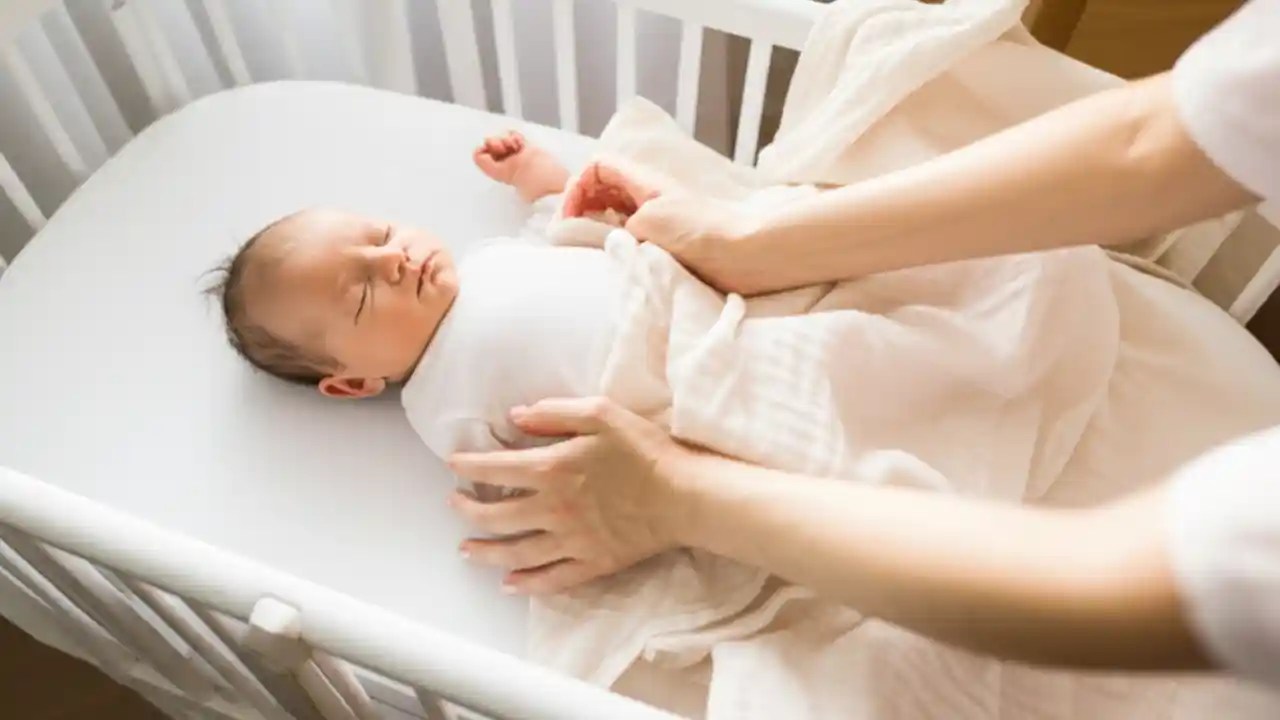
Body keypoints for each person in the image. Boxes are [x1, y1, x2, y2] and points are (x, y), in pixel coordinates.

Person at [447, 0, 1280, 689]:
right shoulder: (445, 400)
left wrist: (672, 489)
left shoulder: (512, 266)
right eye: (373, 285)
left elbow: (1125, 583)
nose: (394, 262)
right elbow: (1148, 142)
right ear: (371, 380)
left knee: (906, 359)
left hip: (751, 351)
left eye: (384, 241)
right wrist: (745, 240)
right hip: (706, 348)